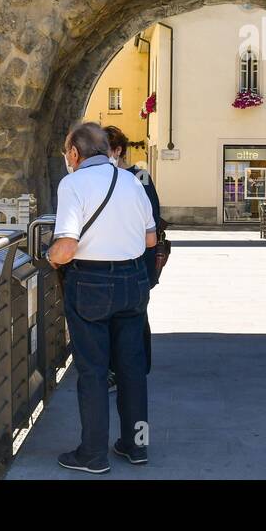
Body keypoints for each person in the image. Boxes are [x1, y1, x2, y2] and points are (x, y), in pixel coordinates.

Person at [49, 121, 156, 473]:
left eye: (68, 152)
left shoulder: (73, 183)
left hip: (91, 284)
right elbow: (151, 239)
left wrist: (51, 257)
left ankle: (92, 455)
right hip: (133, 281)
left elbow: (66, 247)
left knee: (93, 371)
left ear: (75, 153)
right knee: (132, 368)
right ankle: (136, 445)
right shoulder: (131, 181)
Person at [104, 126, 169, 385]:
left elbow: (151, 220)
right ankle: (118, 369)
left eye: (104, 149)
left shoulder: (139, 176)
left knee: (135, 315)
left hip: (138, 259)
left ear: (118, 150)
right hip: (114, 259)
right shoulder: (101, 178)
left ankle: (136, 367)